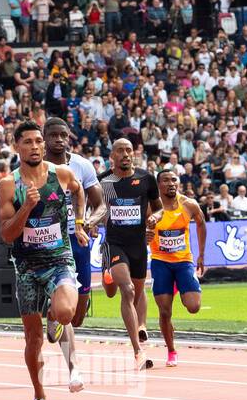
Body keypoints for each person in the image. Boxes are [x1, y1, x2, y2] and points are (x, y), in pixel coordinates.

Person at [0, 122, 89, 400]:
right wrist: (26, 208)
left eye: (38, 141)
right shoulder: (9, 185)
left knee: (65, 313)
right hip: (27, 267)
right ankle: (39, 395)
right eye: (28, 142)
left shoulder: (61, 174)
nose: (35, 146)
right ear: (17, 147)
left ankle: (55, 316)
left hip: (59, 259)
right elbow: (7, 235)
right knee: (33, 340)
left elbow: (79, 192)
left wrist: (78, 223)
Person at [91, 138, 161, 370]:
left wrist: (155, 218)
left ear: (134, 154)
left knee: (137, 293)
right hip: (115, 243)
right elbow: (96, 207)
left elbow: (159, 208)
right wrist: (92, 223)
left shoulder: (146, 178)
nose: (125, 154)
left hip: (138, 245)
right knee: (127, 290)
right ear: (112, 156)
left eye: (129, 150)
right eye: (120, 150)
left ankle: (108, 275)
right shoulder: (103, 181)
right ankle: (138, 352)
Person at [42, 117, 103, 384]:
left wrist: (88, 221)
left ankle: (53, 313)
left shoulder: (81, 165)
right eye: (53, 135)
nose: (59, 139)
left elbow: (101, 205)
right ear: (44, 138)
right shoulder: (36, 167)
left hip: (78, 240)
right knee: (65, 307)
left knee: (76, 317)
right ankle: (73, 369)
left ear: (69, 137)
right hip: (50, 243)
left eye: (63, 135)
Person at [145, 167, 207, 367]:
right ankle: (171, 351)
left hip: (183, 262)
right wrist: (146, 234)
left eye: (174, 180)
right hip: (160, 262)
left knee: (193, 307)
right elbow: (140, 232)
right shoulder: (150, 208)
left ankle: (181, 287)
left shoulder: (189, 204)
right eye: (166, 180)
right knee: (165, 312)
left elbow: (201, 223)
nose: (171, 183)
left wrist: (201, 254)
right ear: (158, 185)